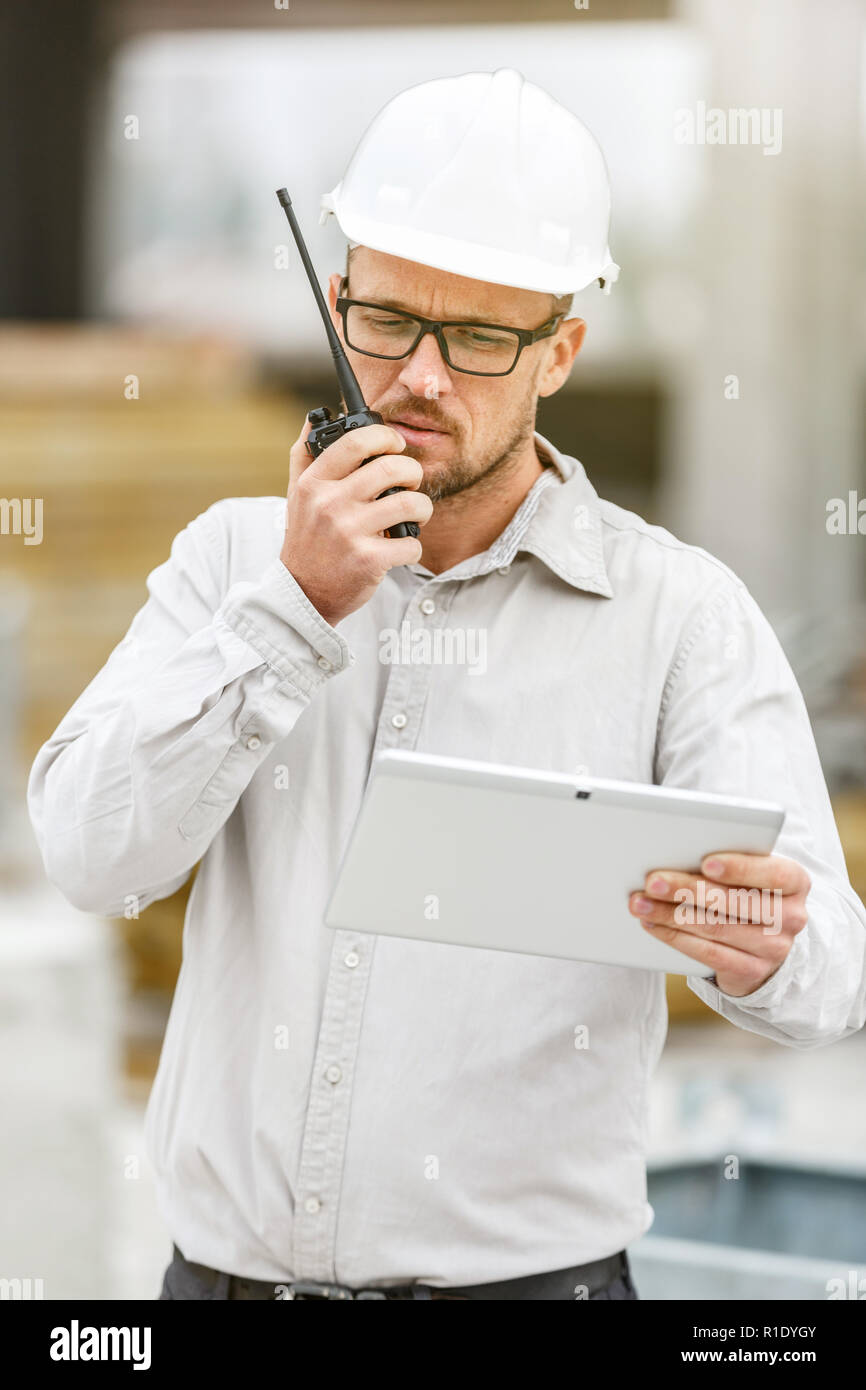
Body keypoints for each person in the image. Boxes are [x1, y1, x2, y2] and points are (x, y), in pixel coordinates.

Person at [27, 68, 866, 1301]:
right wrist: (293, 608)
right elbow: (92, 856)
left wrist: (755, 945)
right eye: (386, 322)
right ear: (335, 299)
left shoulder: (677, 620)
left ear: (559, 352)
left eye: (477, 337)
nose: (418, 376)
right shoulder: (229, 563)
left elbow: (833, 978)